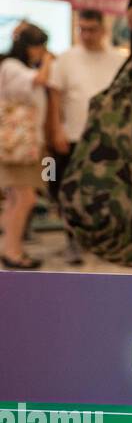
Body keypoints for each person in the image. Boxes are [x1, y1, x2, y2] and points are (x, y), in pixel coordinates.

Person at [46, 9, 128, 264]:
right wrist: (56, 129)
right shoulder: (66, 59)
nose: (87, 35)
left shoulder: (117, 59)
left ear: (103, 30)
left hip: (106, 138)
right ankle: (72, 241)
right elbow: (55, 98)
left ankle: (103, 240)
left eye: (92, 29)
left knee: (105, 193)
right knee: (70, 193)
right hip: (73, 136)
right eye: (82, 29)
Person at [0, 24, 54, 270]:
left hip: (23, 146)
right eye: (39, 46)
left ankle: (9, 247)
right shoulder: (12, 66)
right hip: (19, 148)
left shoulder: (14, 66)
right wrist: (48, 61)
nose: (40, 51)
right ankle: (12, 251)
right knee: (25, 199)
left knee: (15, 199)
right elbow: (40, 80)